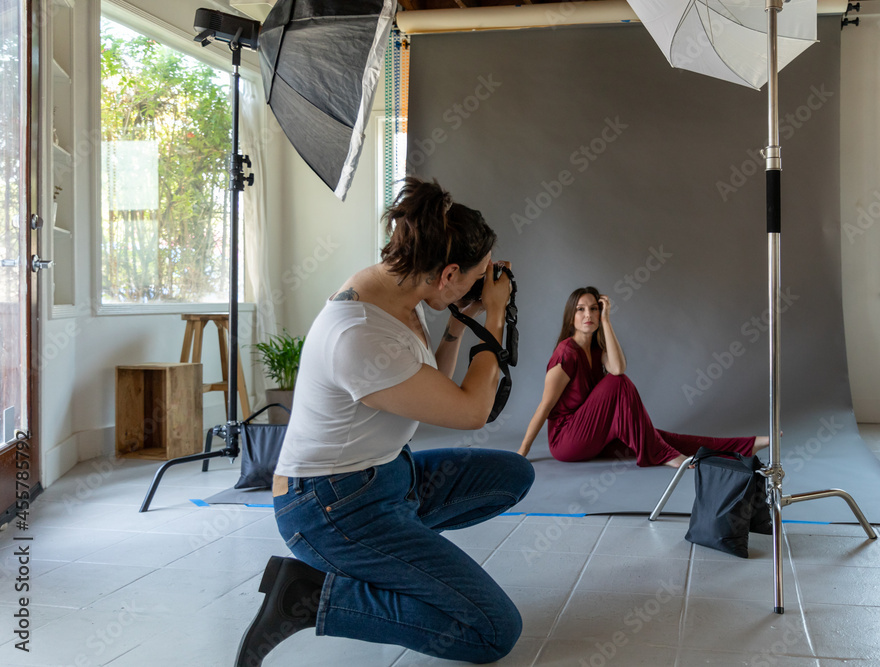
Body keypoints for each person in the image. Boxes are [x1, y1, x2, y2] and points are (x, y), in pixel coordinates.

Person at [235, 178, 535, 667]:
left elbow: (427, 386)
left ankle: (397, 557)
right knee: (494, 632)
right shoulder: (358, 333)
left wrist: (459, 323)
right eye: (475, 276)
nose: (482, 284)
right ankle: (305, 597)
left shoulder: (394, 288)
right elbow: (469, 411)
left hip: (388, 475)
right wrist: (495, 319)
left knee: (513, 475)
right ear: (448, 273)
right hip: (327, 508)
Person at [518, 287, 768, 466]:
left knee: (657, 436)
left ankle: (746, 446)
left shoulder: (596, 350)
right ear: (570, 316)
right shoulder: (566, 353)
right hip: (567, 442)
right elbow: (545, 406)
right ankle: (663, 456)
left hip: (593, 436)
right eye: (581, 309)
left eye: (594, 309)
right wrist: (523, 451)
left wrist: (607, 320)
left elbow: (617, 366)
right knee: (620, 387)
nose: (588, 315)